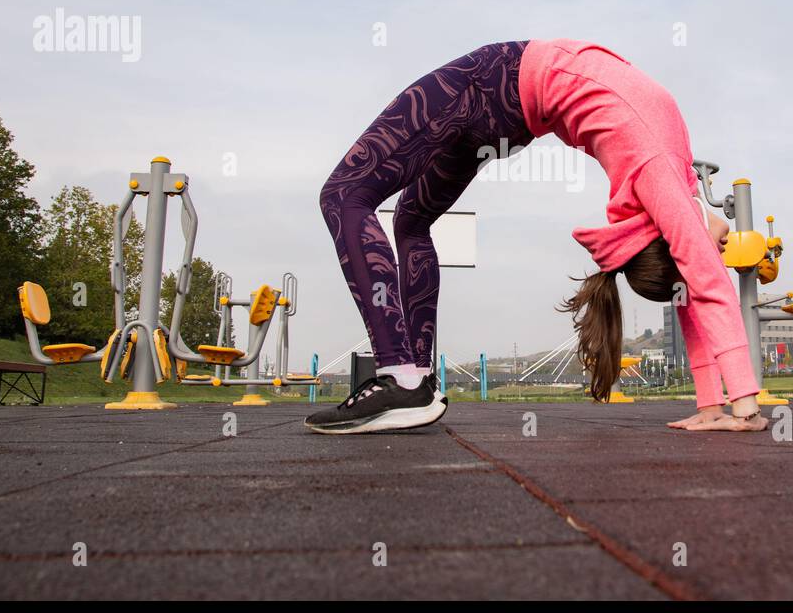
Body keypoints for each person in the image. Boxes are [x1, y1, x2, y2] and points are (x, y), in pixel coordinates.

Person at [305, 39, 765, 435]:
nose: (719, 253)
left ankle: (400, 378)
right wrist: (711, 405)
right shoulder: (673, 179)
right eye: (716, 250)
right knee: (411, 221)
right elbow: (695, 280)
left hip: (487, 84)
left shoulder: (658, 172)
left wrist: (742, 404)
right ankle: (418, 381)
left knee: (343, 195)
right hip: (507, 113)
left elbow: (702, 281)